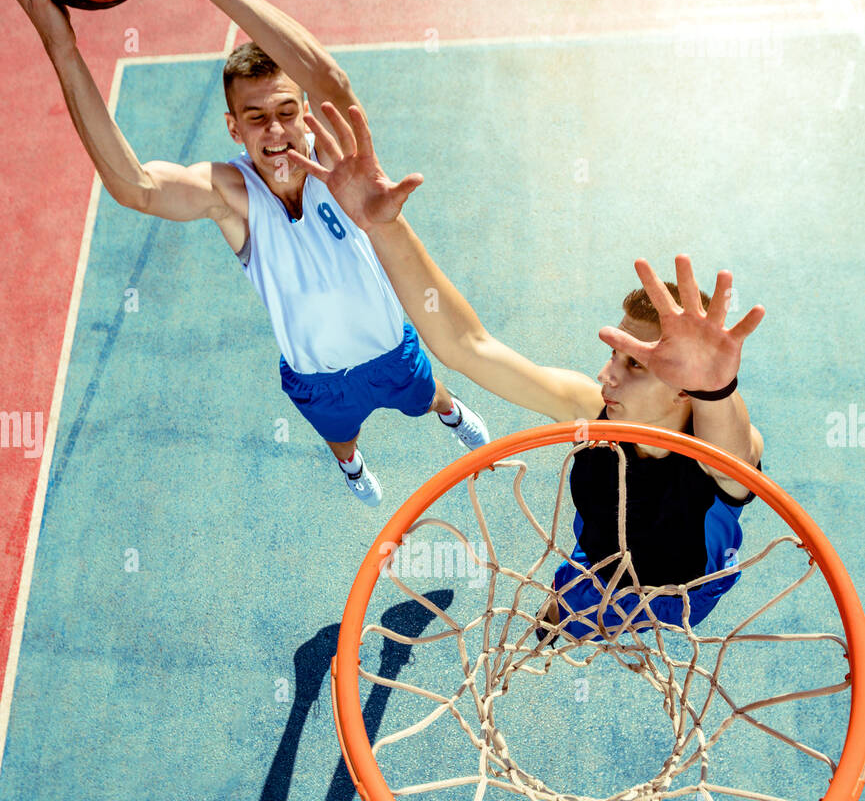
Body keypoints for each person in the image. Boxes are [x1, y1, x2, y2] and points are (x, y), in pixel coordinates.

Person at [0, 0, 489, 508]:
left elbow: (331, 78)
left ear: (305, 110)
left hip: (390, 349)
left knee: (427, 394)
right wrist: (61, 44)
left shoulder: (340, 164)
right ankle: (353, 464)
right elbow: (134, 187)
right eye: (256, 117)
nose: (276, 129)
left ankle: (450, 412)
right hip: (317, 378)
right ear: (234, 127)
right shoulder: (232, 194)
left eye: (287, 110)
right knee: (342, 438)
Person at [283, 102, 767, 639]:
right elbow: (468, 345)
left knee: (586, 616)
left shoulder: (717, 443)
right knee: (560, 613)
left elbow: (732, 456)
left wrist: (715, 387)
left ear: (686, 387)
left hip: (684, 592)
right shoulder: (593, 410)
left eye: (636, 363)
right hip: (599, 564)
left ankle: (572, 619)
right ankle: (560, 619)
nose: (608, 375)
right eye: (613, 354)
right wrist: (384, 228)